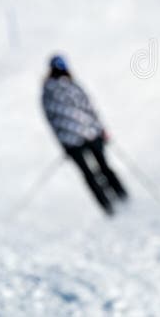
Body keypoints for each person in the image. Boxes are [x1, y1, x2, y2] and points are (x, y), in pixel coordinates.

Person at [41, 55, 127, 215]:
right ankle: (121, 198)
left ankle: (109, 206)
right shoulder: (72, 86)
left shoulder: (48, 91)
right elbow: (89, 108)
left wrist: (63, 144)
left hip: (72, 140)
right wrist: (101, 129)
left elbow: (52, 120)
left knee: (91, 173)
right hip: (90, 134)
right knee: (103, 167)